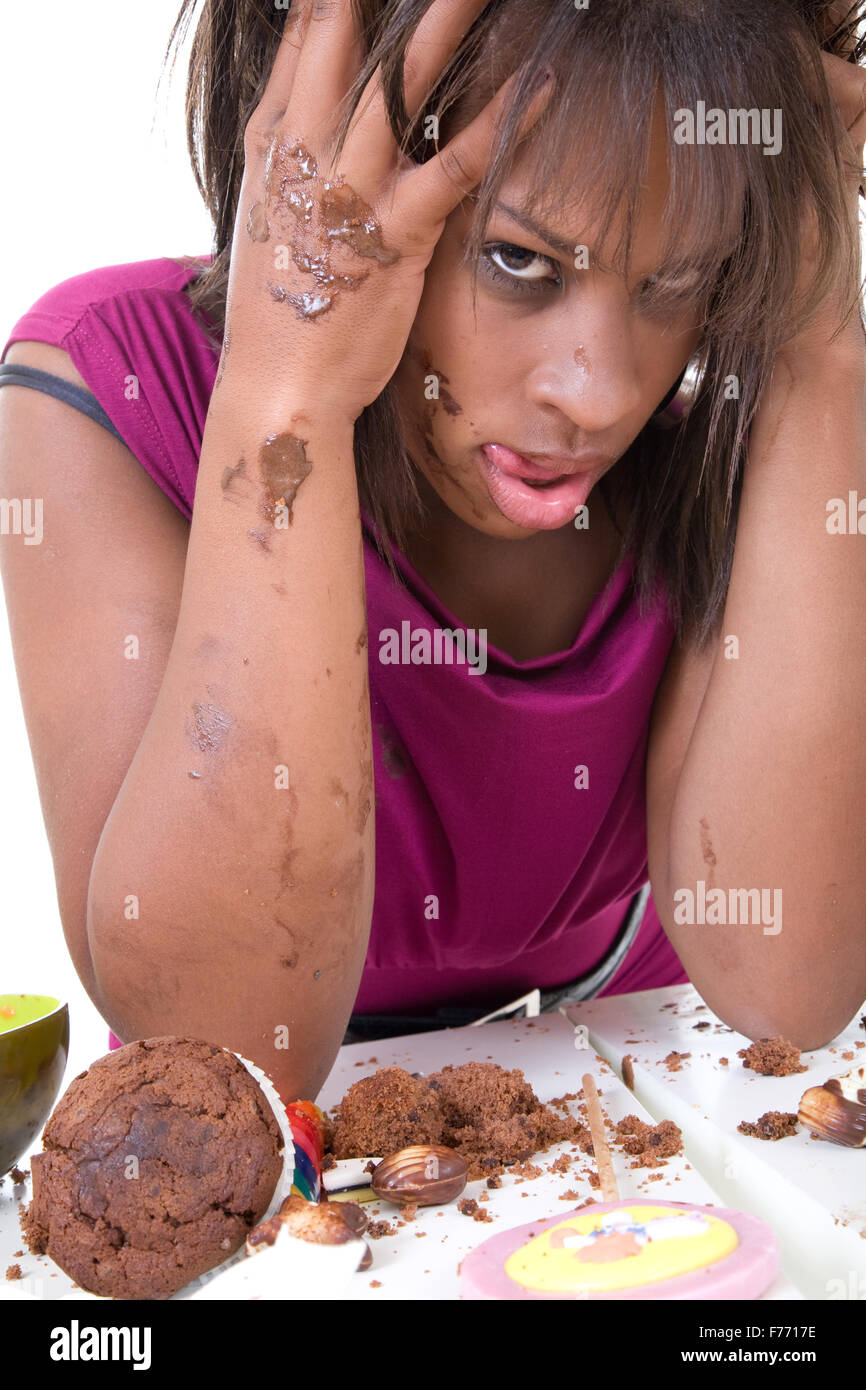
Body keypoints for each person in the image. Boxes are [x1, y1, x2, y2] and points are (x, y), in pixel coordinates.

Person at [0, 0, 864, 1103]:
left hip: (648, 1121)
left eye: (673, 284)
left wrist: (819, 345)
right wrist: (289, 394)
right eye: (517, 259)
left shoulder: (726, 425)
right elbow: (223, 1056)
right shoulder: (109, 386)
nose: (594, 393)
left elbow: (788, 994)